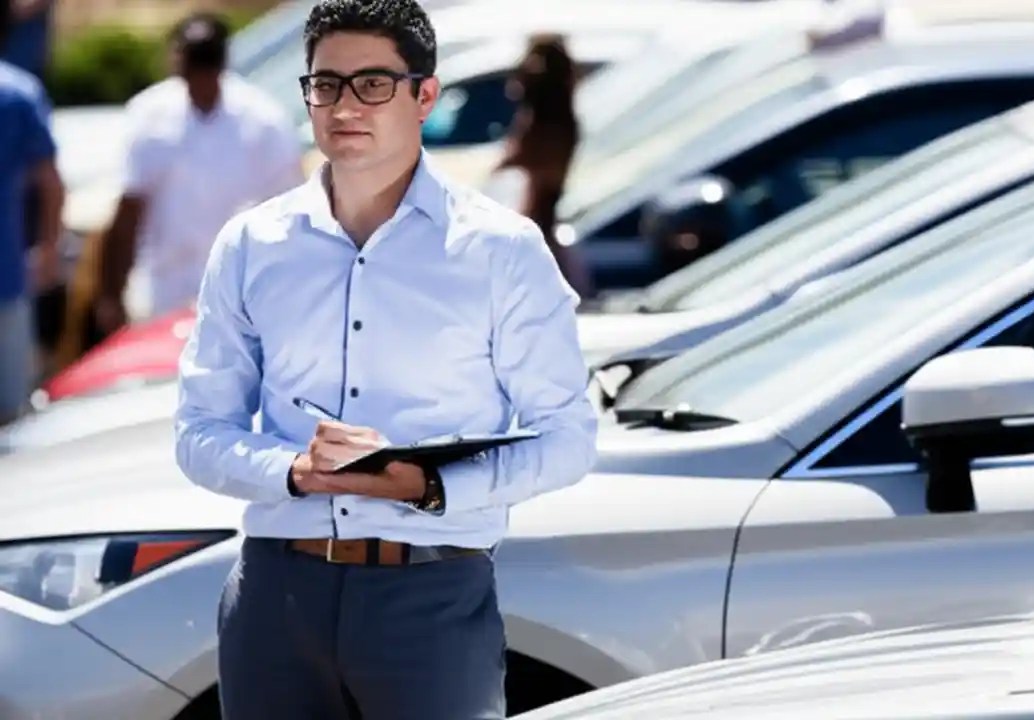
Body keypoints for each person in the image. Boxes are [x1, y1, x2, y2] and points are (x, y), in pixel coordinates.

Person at [173, 0, 598, 718]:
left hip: (430, 597)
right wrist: (296, 471)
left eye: (373, 83)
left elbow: (567, 439)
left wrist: (425, 486)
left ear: (424, 96)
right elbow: (198, 432)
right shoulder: (250, 245)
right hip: (276, 598)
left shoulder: (500, 249)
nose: (345, 106)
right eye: (326, 85)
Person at [95, 11, 303, 335]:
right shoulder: (148, 115)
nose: (200, 76)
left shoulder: (263, 121)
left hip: (240, 290)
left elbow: (289, 215)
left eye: (208, 62)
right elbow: (128, 210)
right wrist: (111, 293)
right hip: (164, 289)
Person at [484, 33, 593, 297]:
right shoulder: (557, 115)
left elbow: (531, 158)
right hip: (542, 205)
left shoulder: (548, 118)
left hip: (542, 205)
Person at [0, 0, 63, 424]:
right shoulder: (18, 92)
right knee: (11, 418)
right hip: (6, 277)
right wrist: (48, 247)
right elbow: (50, 182)